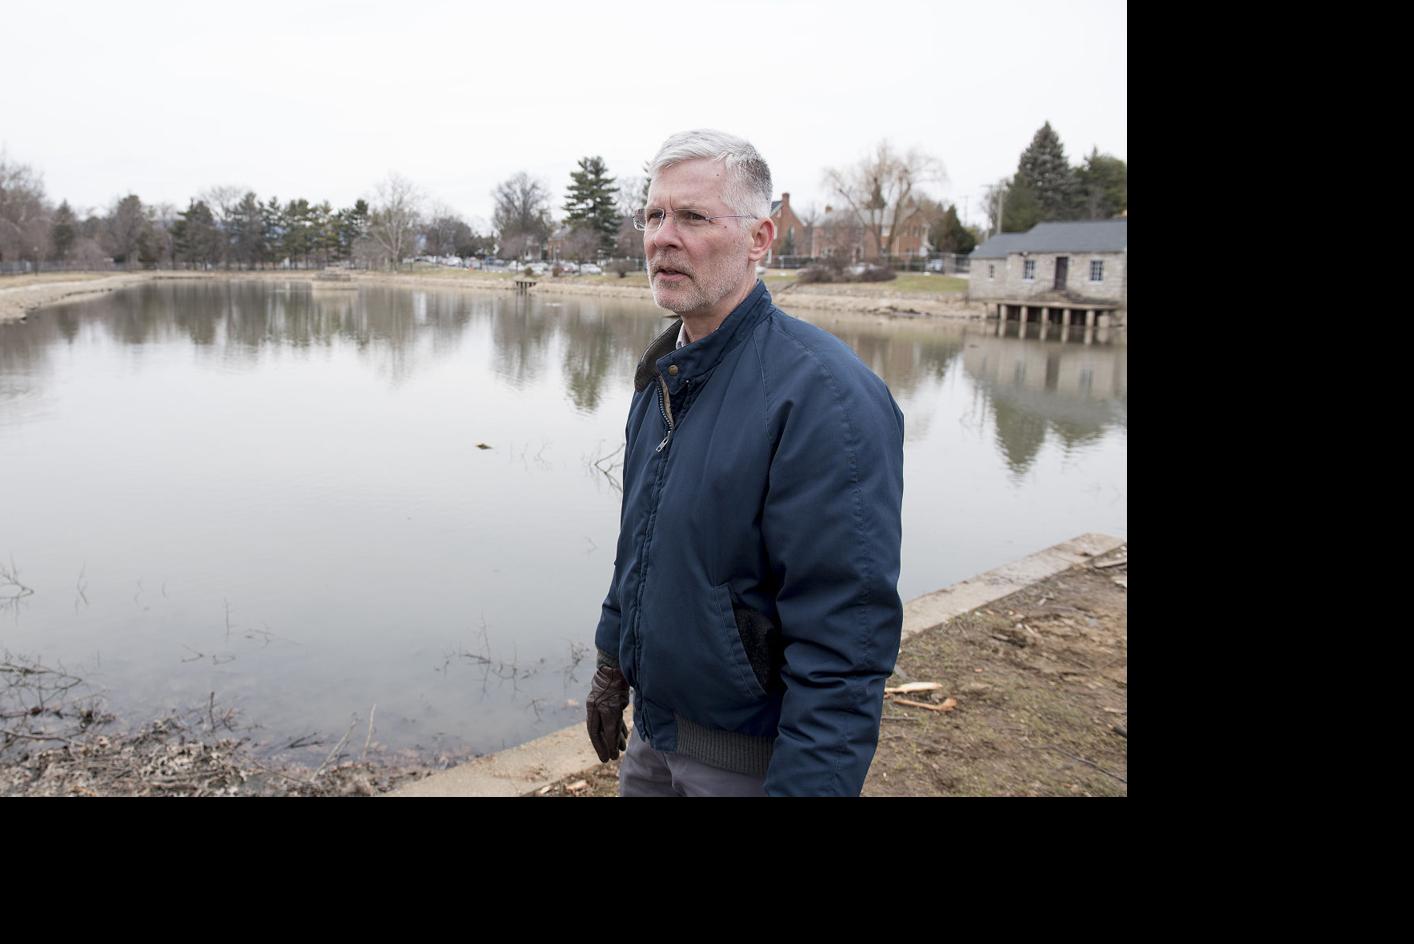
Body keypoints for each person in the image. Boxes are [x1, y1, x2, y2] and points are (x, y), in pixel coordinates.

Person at [585, 129, 905, 797]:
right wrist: (612, 660)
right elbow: (642, 548)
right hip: (654, 740)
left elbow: (845, 644)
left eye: (694, 217)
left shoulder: (823, 397)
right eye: (654, 215)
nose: (662, 238)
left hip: (747, 764)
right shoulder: (664, 374)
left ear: (761, 239)